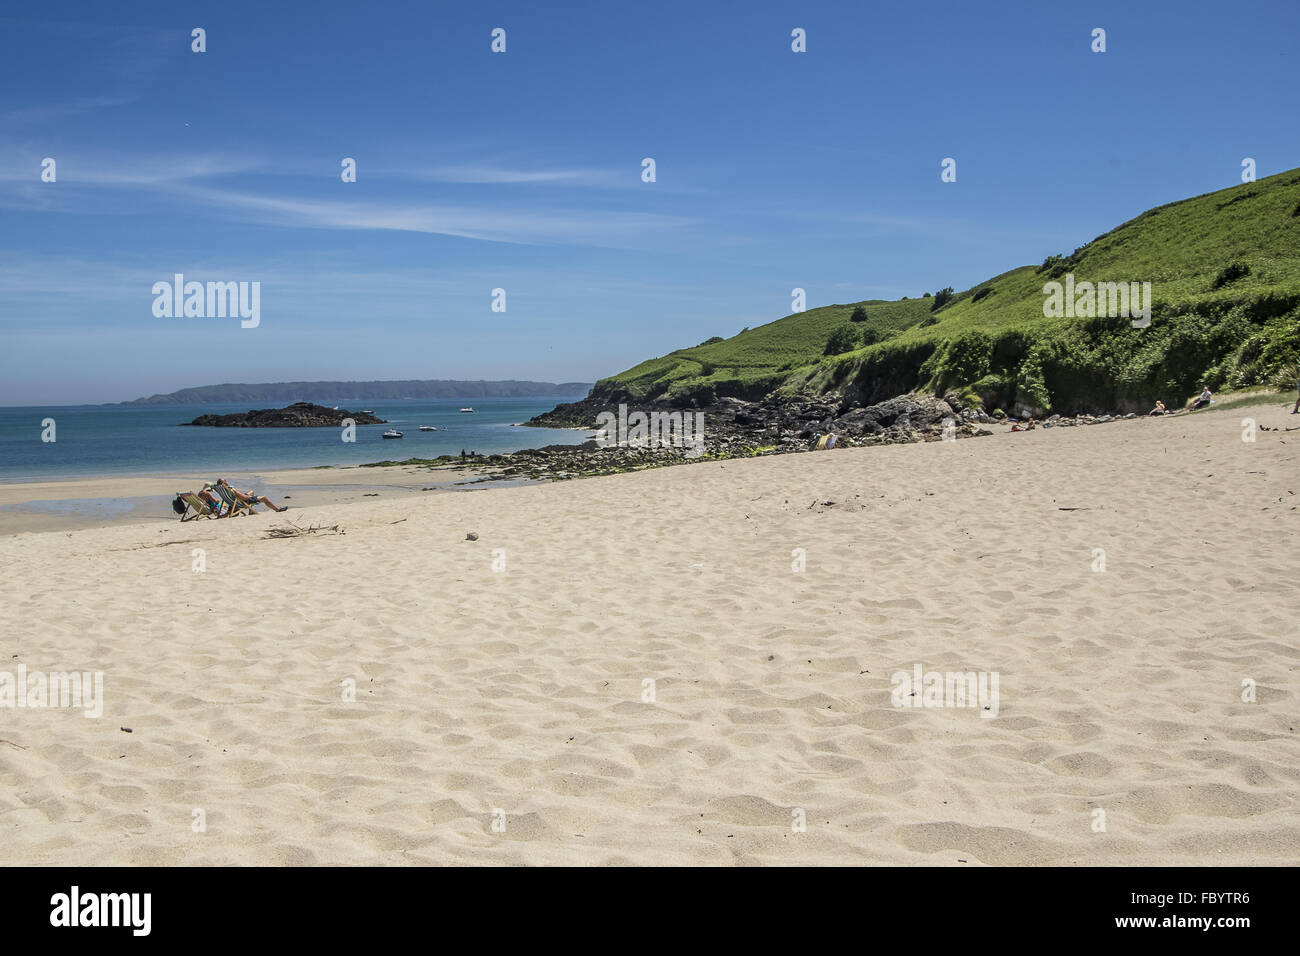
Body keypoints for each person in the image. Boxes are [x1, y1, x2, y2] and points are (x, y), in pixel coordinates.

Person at [215, 478, 286, 513]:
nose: (227, 482)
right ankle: (277, 510)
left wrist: (246, 495)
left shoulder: (219, 489)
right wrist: (249, 497)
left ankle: (251, 512)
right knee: (264, 498)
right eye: (225, 481)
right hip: (242, 502)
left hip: (234, 502)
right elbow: (243, 497)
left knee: (251, 492)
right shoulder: (231, 489)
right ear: (223, 483)